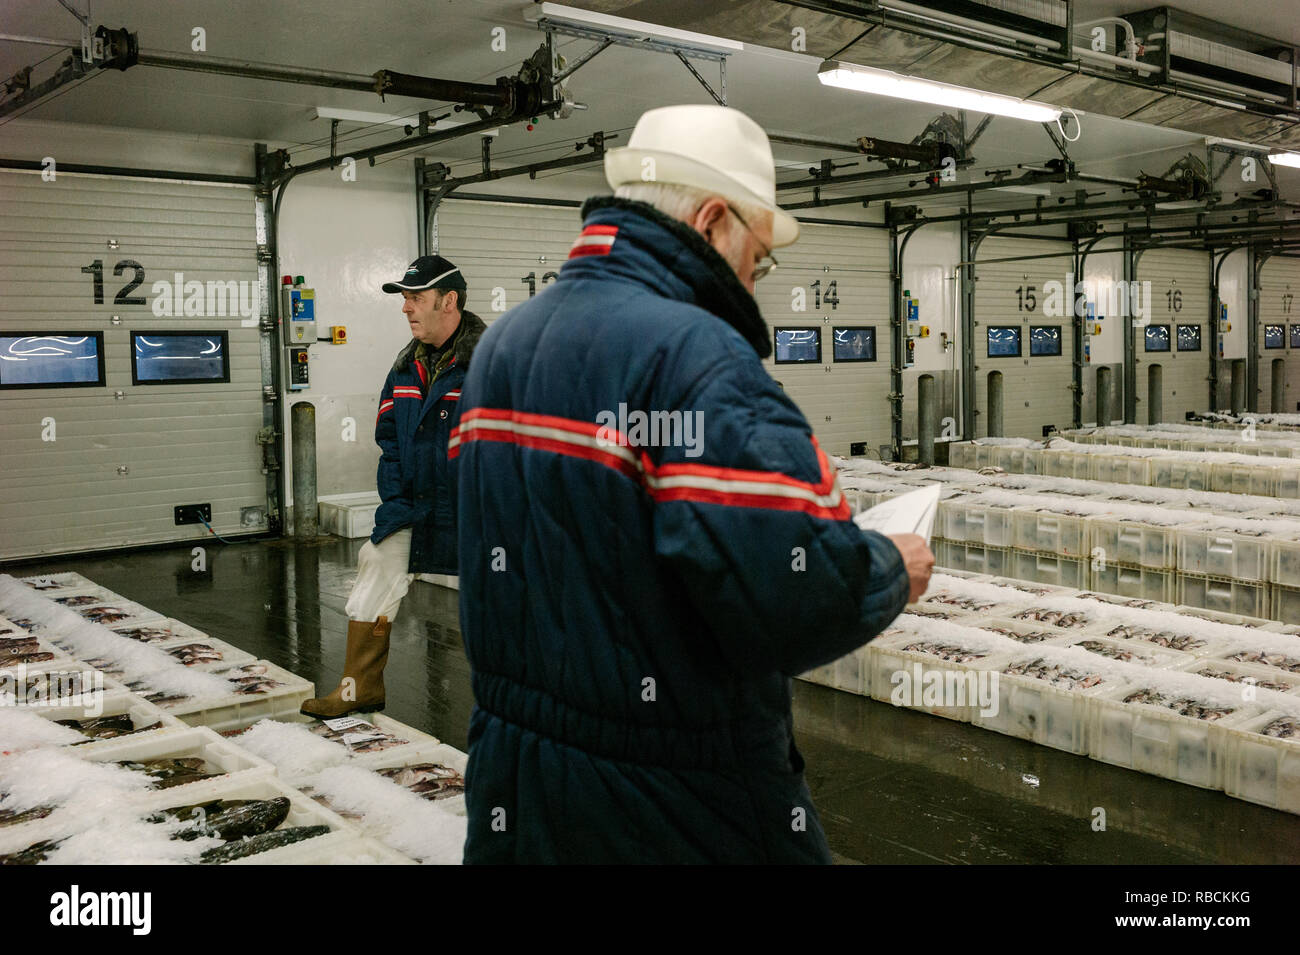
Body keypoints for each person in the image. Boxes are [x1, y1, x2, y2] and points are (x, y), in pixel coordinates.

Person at [453, 105, 933, 863]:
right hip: (674, 803)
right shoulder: (693, 355)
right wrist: (886, 569)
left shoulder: (506, 342)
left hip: (517, 777)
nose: (753, 278)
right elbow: (788, 597)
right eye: (758, 256)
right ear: (713, 221)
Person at [301, 255, 486, 718]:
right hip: (415, 507)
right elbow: (390, 440)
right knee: (374, 569)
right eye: (404, 298)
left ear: (449, 301)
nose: (406, 308)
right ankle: (357, 689)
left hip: (480, 514)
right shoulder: (405, 368)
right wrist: (396, 502)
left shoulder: (494, 362)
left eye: (416, 298)